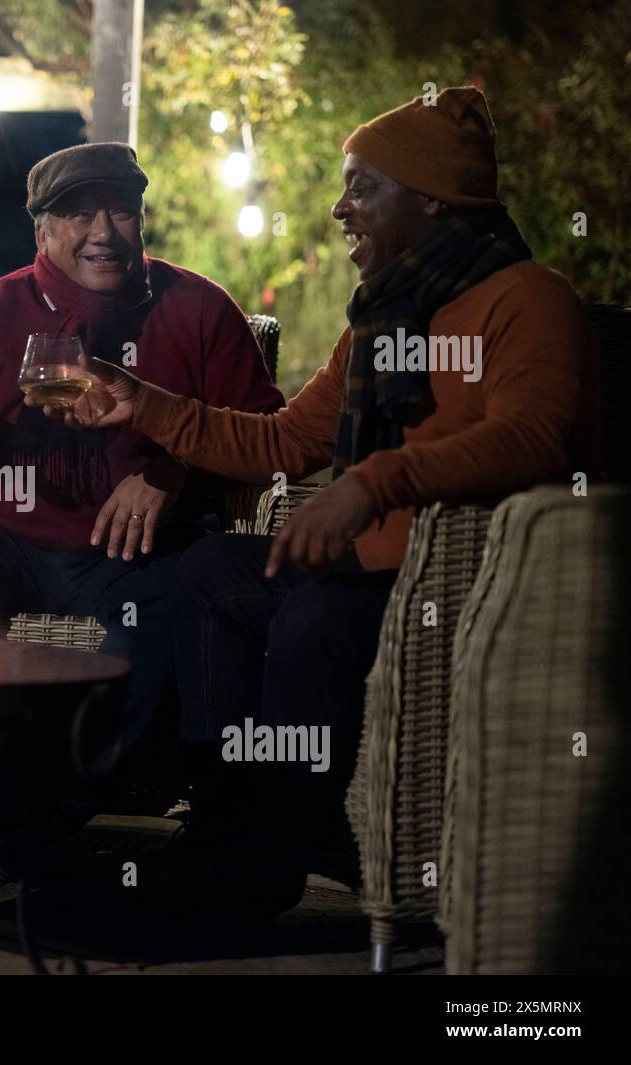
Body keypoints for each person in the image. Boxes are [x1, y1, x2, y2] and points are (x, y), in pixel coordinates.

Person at [32, 87, 600, 910]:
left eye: (363, 186)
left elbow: (535, 438)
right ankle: (227, 828)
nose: (342, 207)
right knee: (210, 570)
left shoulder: (529, 299)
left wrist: (375, 479)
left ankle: (277, 851)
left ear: (432, 197)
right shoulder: (378, 321)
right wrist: (142, 400)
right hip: (370, 570)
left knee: (311, 620)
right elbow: (278, 443)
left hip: (476, 588)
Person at [0, 142, 283, 887]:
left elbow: (269, 440)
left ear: (142, 219)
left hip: (133, 556)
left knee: (156, 625)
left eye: (120, 209)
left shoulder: (199, 309)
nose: (103, 231)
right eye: (79, 212)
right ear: (41, 231)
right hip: (5, 539)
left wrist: (173, 470)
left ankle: (29, 819)